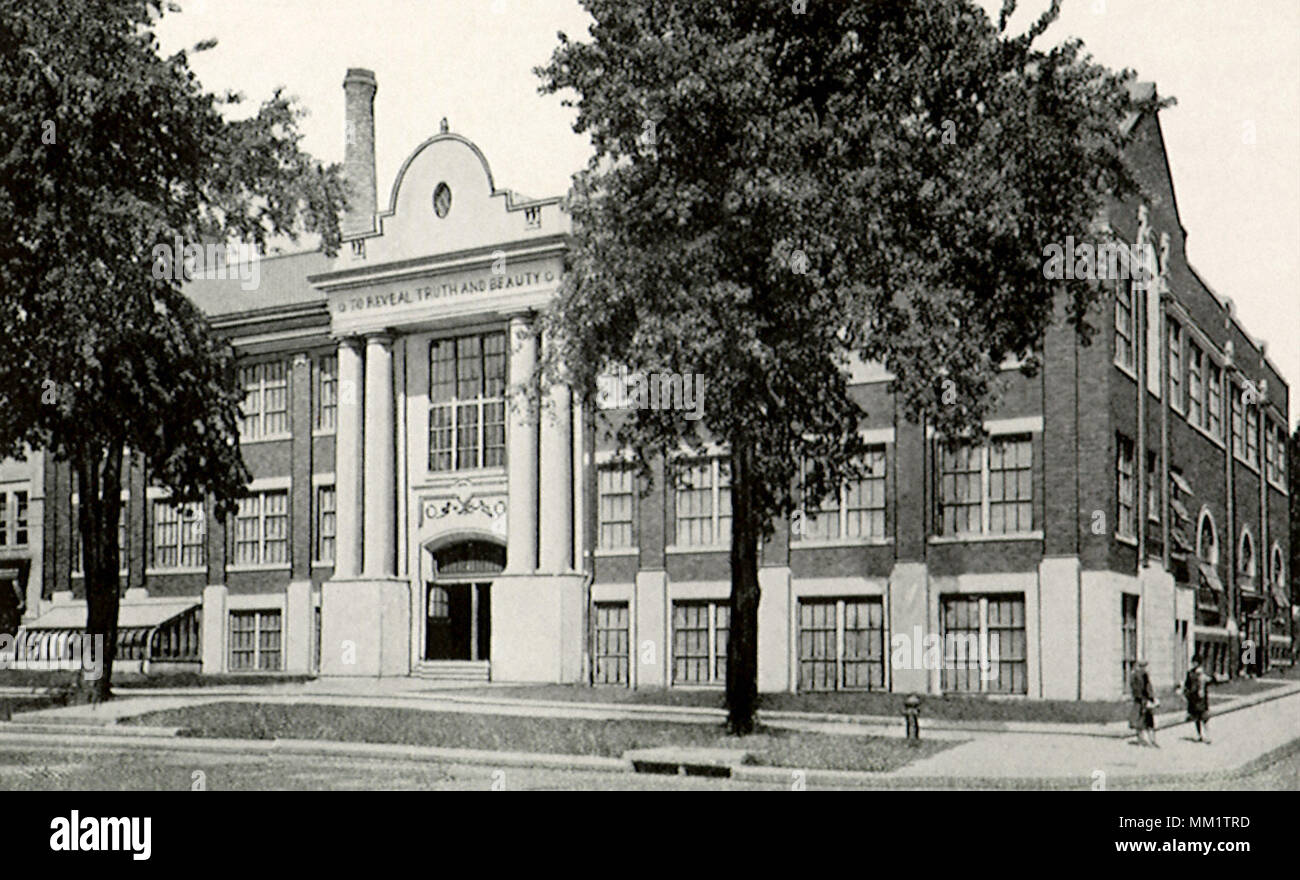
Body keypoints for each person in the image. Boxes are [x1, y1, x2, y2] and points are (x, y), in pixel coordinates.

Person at [1128, 658, 1159, 747]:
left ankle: (1152, 740)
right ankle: (1141, 740)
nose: (1144, 668)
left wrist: (1152, 698)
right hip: (1140, 701)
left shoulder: (1145, 675)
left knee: (1149, 722)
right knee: (1139, 722)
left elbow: (1149, 688)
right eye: (1142, 666)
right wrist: (1142, 699)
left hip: (1147, 700)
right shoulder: (1135, 676)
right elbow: (1136, 689)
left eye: (1145, 666)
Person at [1181, 656, 1212, 743]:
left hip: (1201, 698)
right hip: (1193, 698)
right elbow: (1187, 684)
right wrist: (1185, 692)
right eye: (1193, 662)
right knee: (1196, 718)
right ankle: (1199, 735)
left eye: (1195, 662)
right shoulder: (1190, 673)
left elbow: (1209, 681)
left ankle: (1207, 735)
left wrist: (1207, 679)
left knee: (1204, 717)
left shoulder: (1202, 673)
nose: (1194, 664)